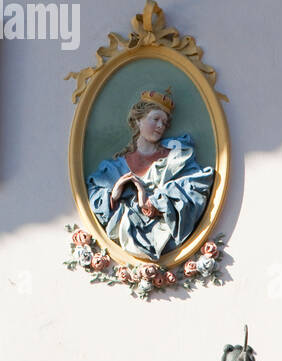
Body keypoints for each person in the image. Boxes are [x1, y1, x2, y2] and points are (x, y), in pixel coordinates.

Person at [86, 88, 214, 260]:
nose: (161, 126)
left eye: (165, 122)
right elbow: (97, 199)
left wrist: (152, 203)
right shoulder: (114, 168)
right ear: (138, 120)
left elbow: (195, 190)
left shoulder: (176, 157)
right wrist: (114, 195)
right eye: (156, 119)